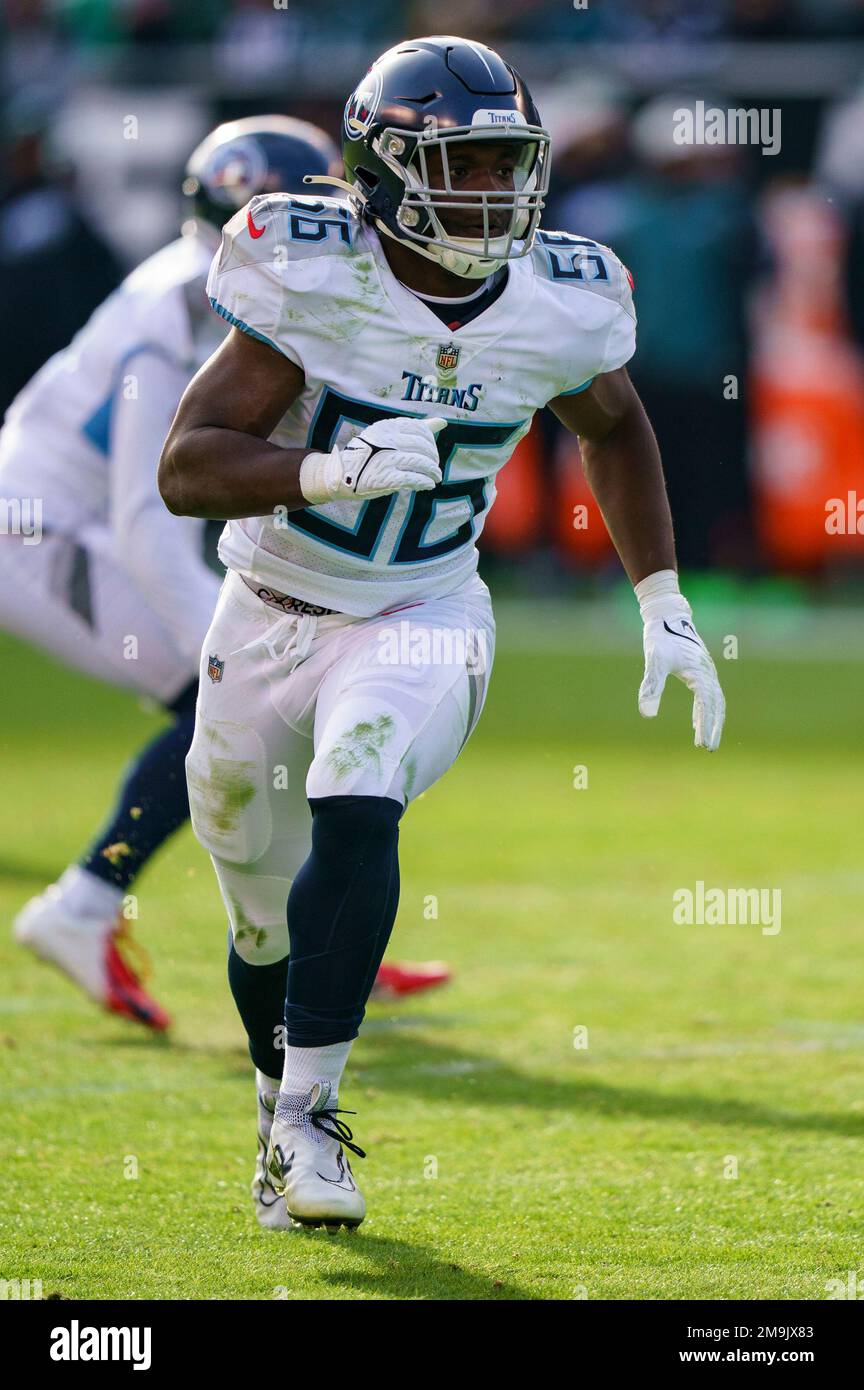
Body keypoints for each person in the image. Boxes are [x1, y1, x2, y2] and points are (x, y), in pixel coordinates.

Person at [159, 35, 726, 1233]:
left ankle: (312, 1117)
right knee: (258, 915)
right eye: (461, 164)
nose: (489, 192)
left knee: (358, 786)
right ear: (379, 167)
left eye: (505, 163)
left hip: (423, 608)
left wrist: (660, 595)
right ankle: (276, 1112)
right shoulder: (310, 272)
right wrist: (324, 469)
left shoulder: (562, 297)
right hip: (265, 607)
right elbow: (186, 467)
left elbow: (614, 429)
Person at [3, 115, 448, 1059]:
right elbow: (144, 510)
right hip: (37, 528)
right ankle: (87, 905)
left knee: (253, 719)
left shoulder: (221, 290)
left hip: (69, 523)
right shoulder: (172, 307)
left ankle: (303, 926)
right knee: (222, 707)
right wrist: (234, 644)